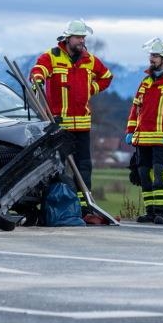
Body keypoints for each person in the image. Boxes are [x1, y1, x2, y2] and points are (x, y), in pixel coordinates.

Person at [29, 19, 113, 212]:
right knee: (57, 168)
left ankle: (85, 207)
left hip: (83, 125)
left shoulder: (90, 60)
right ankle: (59, 206)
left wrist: (91, 88)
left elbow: (107, 77)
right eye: (78, 37)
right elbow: (38, 70)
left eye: (83, 37)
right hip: (59, 126)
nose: (82, 40)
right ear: (67, 38)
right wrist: (38, 81)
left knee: (84, 166)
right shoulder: (52, 56)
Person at [124, 38, 163, 225]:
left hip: (162, 139)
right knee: (144, 175)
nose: (151, 58)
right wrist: (130, 130)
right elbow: (135, 108)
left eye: (155, 55)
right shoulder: (145, 81)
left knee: (161, 174)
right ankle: (150, 211)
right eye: (151, 55)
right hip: (142, 139)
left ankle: (162, 212)